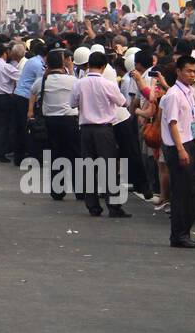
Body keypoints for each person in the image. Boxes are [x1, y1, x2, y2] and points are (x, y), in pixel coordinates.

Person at [70, 51, 130, 217]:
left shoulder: (79, 84)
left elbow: (72, 103)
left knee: (89, 167)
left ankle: (93, 206)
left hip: (86, 129)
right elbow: (123, 103)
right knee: (109, 167)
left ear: (88, 65)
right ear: (104, 67)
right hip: (104, 129)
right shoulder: (108, 84)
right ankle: (114, 206)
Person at [159, 55, 195, 249]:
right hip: (178, 146)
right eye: (188, 71)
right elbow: (172, 123)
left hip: (190, 143)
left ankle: (184, 231)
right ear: (178, 71)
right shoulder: (173, 95)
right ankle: (179, 234)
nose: (192, 75)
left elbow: (191, 122)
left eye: (194, 71)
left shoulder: (189, 92)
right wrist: (180, 149)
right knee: (182, 193)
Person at [29, 49, 79, 200]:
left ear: (47, 65)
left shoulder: (42, 81)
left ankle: (57, 191)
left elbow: (32, 94)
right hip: (70, 121)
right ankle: (82, 191)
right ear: (63, 63)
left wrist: (30, 111)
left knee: (56, 155)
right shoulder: (73, 80)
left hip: (50, 122)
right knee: (76, 156)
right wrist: (70, 70)